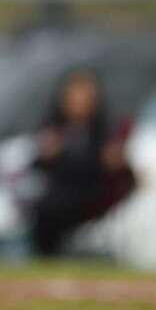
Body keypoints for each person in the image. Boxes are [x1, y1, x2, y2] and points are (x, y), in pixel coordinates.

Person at [31, 67, 135, 256]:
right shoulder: (55, 126)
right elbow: (38, 166)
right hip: (58, 194)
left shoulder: (105, 129)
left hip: (94, 194)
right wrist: (46, 156)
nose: (79, 101)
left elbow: (120, 170)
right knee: (45, 208)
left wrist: (117, 164)